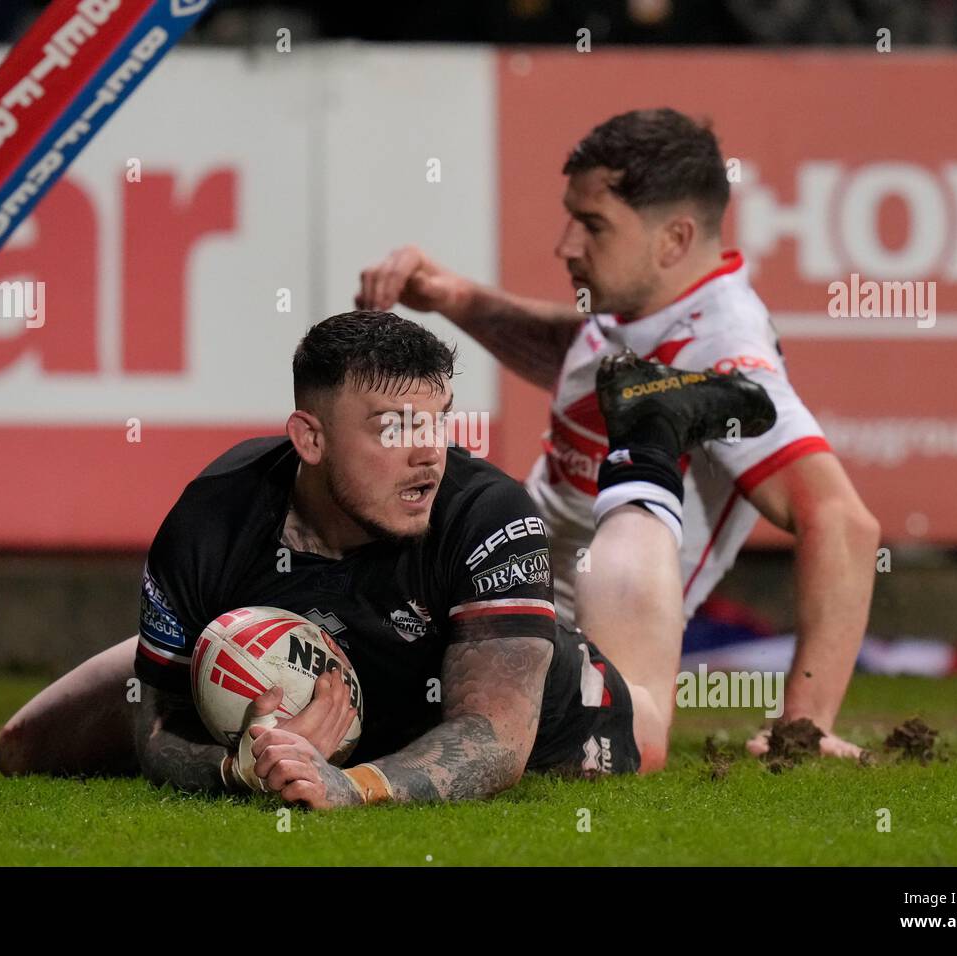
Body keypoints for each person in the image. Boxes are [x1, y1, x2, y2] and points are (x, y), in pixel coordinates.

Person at [0, 310, 775, 806]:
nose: (427, 455)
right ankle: (225, 656)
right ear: (309, 437)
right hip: (299, 633)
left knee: (652, 722)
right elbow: (153, 728)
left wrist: (354, 784)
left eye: (436, 423)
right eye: (393, 428)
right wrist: (239, 765)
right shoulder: (212, 518)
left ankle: (650, 437)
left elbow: (494, 737)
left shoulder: (485, 514)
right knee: (20, 749)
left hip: (533, 696)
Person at [355, 108, 880, 761]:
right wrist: (454, 297)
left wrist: (806, 723)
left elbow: (842, 522)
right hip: (497, 590)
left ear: (674, 239)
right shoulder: (638, 307)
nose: (565, 245)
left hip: (570, 652)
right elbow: (578, 363)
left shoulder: (723, 347)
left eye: (593, 226)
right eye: (571, 216)